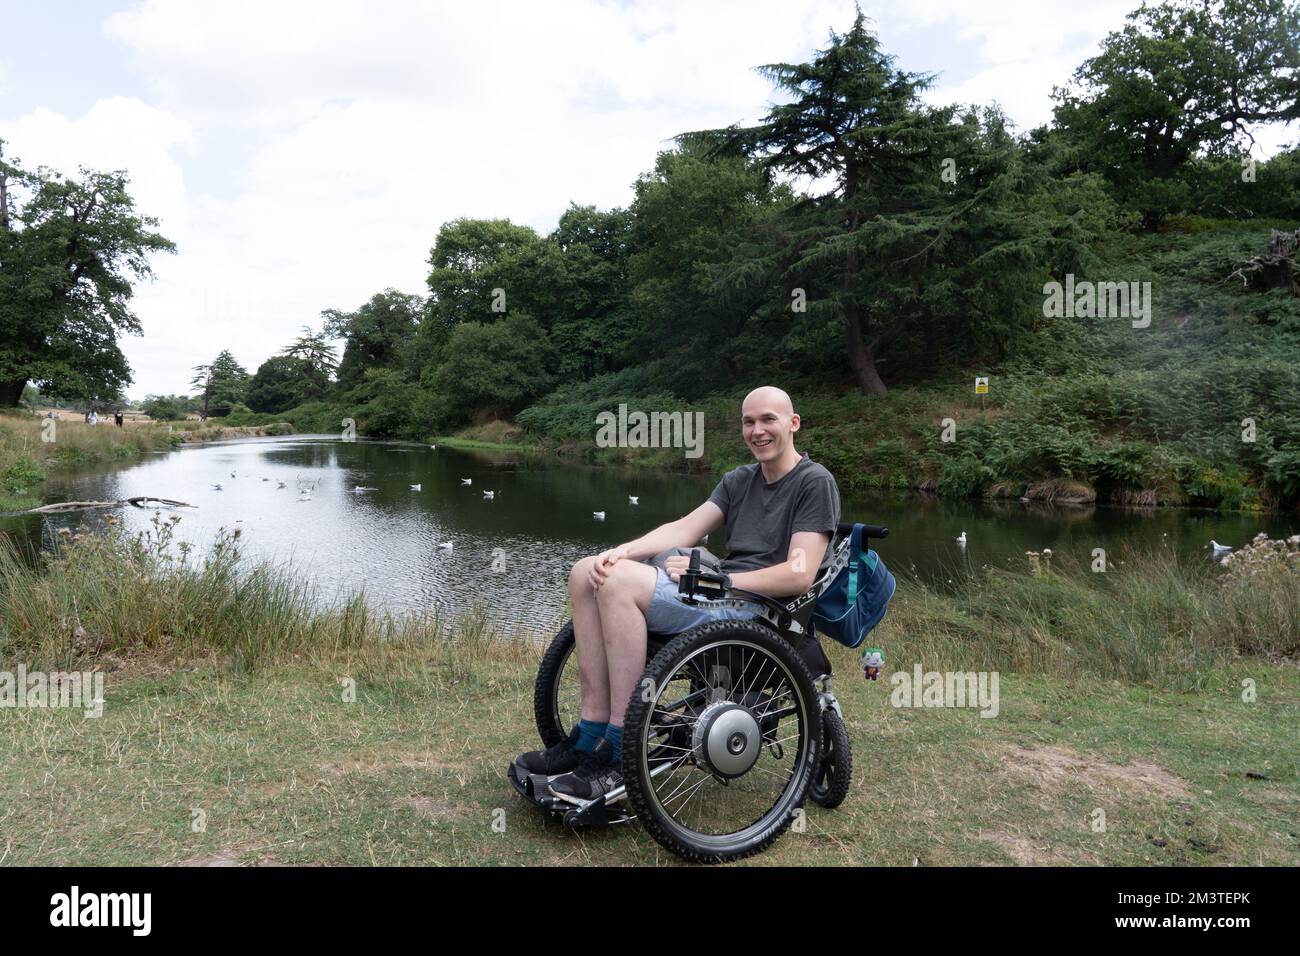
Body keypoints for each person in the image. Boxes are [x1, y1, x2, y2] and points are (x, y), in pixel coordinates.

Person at [516, 385, 840, 803]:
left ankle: (619, 752)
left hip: (758, 613)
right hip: (717, 595)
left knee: (618, 585)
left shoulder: (815, 482)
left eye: (768, 420)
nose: (757, 431)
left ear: (792, 424)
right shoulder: (739, 480)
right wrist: (621, 551)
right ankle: (590, 735)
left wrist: (722, 581)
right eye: (749, 422)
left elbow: (798, 574)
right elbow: (684, 528)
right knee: (587, 572)